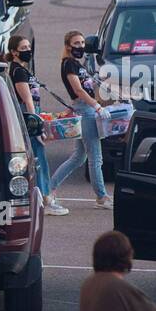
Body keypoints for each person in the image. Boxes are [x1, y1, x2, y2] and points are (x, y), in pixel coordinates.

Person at [46, 30, 110, 210]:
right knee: (95, 157)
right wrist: (97, 106)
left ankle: (50, 189)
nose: (81, 46)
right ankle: (102, 196)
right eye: (76, 43)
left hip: (85, 108)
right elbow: (79, 90)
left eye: (82, 43)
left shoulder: (76, 63)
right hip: (85, 110)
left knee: (78, 157)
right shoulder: (68, 65)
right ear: (68, 46)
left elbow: (87, 87)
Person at [3, 36, 60, 214]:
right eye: (23, 47)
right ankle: (45, 199)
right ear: (14, 52)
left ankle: (43, 198)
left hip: (30, 114)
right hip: (29, 117)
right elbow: (27, 101)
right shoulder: (18, 72)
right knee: (39, 159)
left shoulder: (20, 69)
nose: (28, 50)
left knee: (36, 159)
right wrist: (38, 128)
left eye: (29, 46)